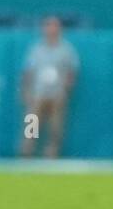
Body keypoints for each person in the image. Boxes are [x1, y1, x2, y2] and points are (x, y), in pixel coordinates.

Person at [19, 16, 79, 159]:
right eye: (49, 26)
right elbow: (28, 71)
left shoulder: (66, 49)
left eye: (55, 26)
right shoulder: (37, 49)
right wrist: (26, 90)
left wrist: (67, 89)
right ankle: (26, 152)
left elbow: (72, 71)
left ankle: (51, 154)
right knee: (31, 124)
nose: (52, 29)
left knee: (55, 127)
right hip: (37, 94)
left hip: (57, 94)